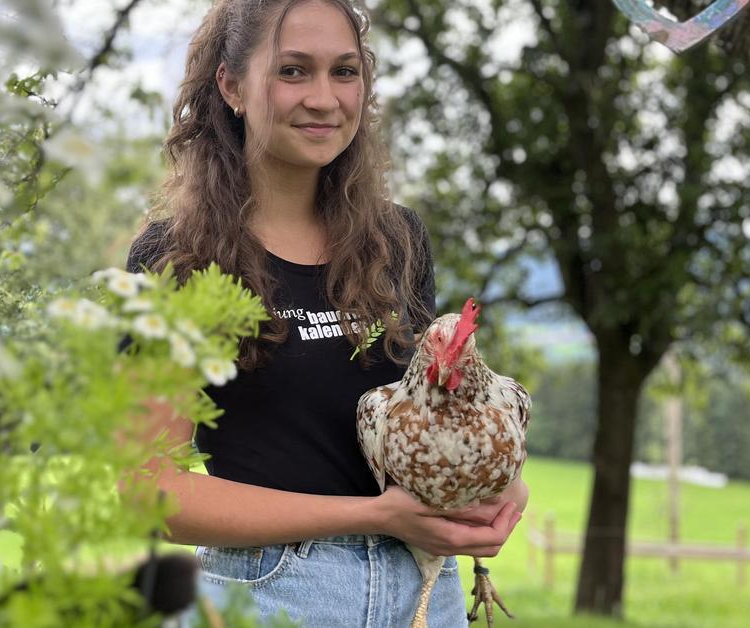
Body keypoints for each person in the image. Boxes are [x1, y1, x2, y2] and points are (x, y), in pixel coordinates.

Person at [121, 0, 529, 625]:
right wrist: (370, 515)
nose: (324, 98)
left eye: (344, 71)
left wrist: (496, 485)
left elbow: (424, 415)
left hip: (424, 590)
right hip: (267, 593)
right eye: (292, 71)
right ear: (230, 85)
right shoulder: (176, 257)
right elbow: (149, 489)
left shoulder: (397, 241)